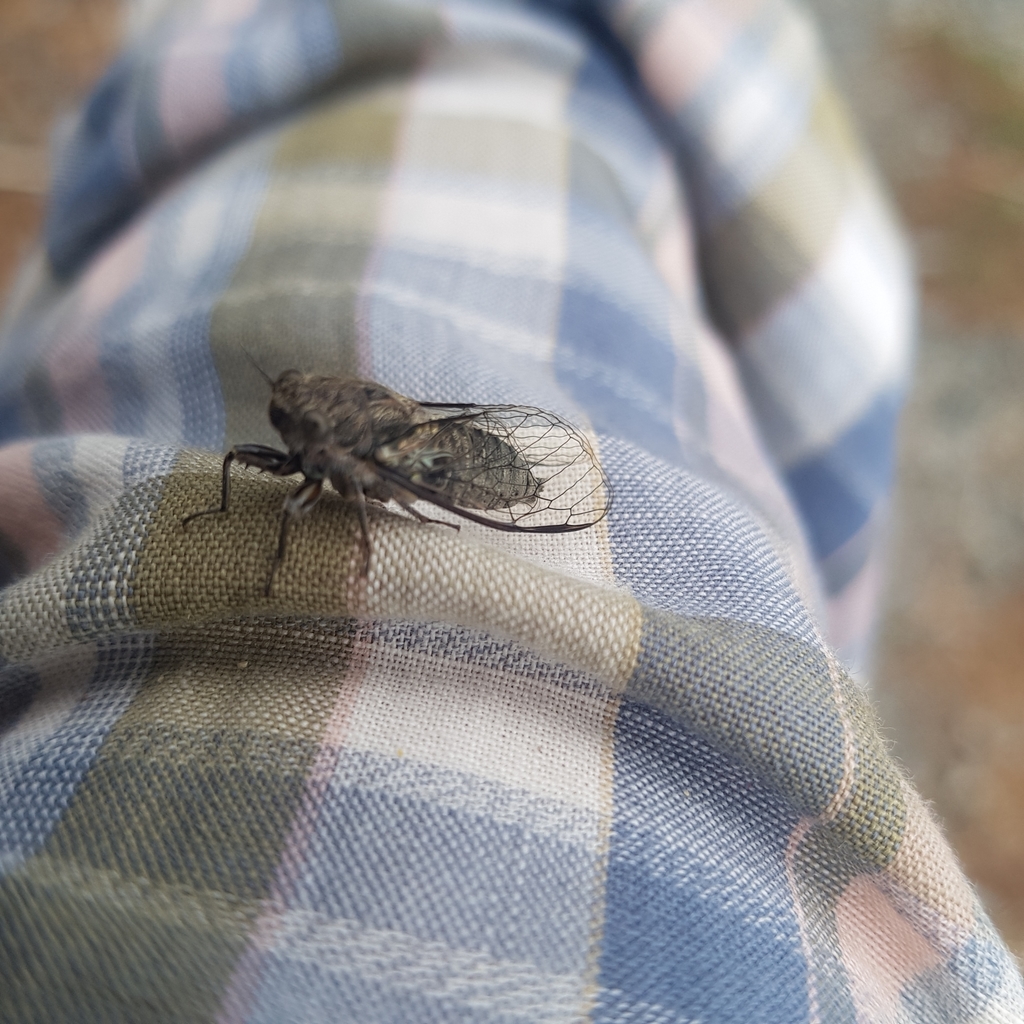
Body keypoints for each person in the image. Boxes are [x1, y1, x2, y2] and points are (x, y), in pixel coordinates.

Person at [0, 0, 1019, 1020]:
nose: (274, 433)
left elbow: (330, 488)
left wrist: (343, 484)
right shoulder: (299, 444)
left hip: (431, 463)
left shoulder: (322, 457)